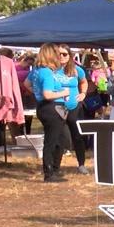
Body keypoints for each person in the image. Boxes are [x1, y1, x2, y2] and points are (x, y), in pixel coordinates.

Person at [32, 43, 71, 182]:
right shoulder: (47, 72)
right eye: (57, 53)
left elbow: (26, 84)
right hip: (51, 108)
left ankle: (54, 169)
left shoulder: (37, 70)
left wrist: (37, 94)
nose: (59, 56)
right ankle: (49, 173)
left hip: (44, 107)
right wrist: (63, 92)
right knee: (51, 141)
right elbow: (48, 94)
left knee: (61, 139)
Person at [56, 44, 90, 175]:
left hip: (74, 107)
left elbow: (84, 82)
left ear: (69, 56)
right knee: (61, 137)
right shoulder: (53, 70)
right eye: (59, 54)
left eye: (64, 54)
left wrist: (83, 94)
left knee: (77, 136)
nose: (62, 57)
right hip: (58, 107)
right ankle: (56, 166)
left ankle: (81, 164)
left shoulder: (77, 70)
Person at [16, 53, 36, 135]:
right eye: (29, 63)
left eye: (31, 64)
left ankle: (27, 132)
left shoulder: (28, 70)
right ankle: (21, 133)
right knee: (20, 115)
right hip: (19, 95)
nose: (29, 65)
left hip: (27, 95)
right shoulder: (15, 68)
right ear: (24, 60)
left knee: (28, 115)